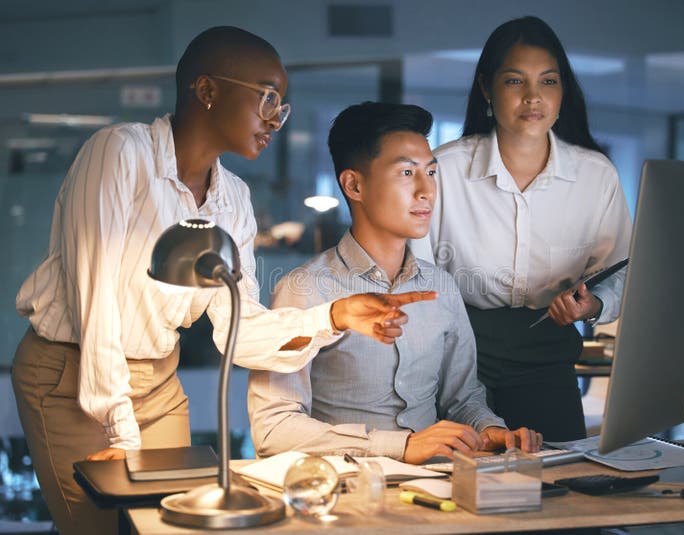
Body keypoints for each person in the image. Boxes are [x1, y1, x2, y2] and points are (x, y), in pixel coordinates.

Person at [11, 28, 433, 535]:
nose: (276, 118)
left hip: (159, 382)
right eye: (267, 98)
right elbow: (95, 303)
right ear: (207, 91)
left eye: (284, 105)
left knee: (179, 528)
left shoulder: (232, 199)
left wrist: (334, 316)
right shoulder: (120, 154)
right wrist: (120, 433)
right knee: (99, 530)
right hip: (72, 377)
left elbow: (239, 329)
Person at [248, 102, 542, 464]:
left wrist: (489, 429)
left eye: (431, 173)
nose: (426, 191)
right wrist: (398, 446)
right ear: (354, 185)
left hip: (436, 488)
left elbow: (462, 398)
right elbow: (273, 430)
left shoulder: (442, 287)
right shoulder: (306, 288)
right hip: (345, 491)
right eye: (406, 172)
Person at [412, 16, 631, 441]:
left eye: (548, 82)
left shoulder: (594, 175)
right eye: (515, 81)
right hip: (457, 358)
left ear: (564, 89)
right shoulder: (445, 170)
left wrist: (592, 305)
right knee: (455, 488)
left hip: (547, 359)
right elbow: (413, 272)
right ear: (486, 89)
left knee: (557, 486)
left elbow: (622, 268)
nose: (533, 97)